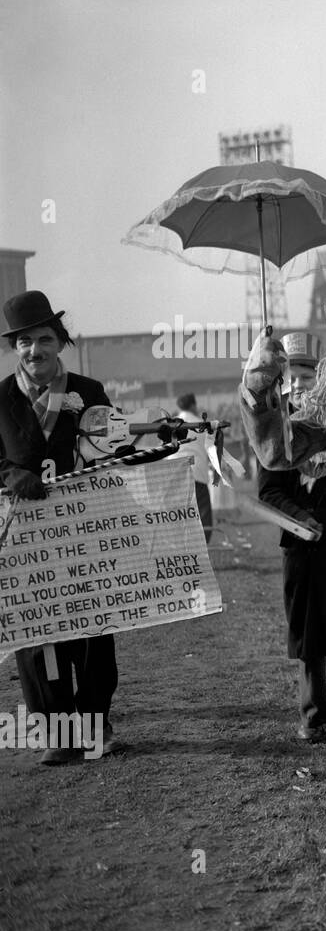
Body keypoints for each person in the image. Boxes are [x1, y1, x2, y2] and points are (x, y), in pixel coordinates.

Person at [0, 290, 120, 765]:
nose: (35, 351)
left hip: (82, 533)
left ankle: (94, 724)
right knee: (37, 634)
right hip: (26, 541)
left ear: (59, 341)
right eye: (25, 342)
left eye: (44, 339)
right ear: (15, 349)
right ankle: (57, 731)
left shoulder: (88, 391)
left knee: (91, 629)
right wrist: (9, 473)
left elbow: (112, 448)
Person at [256, 333, 326, 742]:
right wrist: (303, 520)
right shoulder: (274, 430)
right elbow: (269, 492)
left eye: (309, 374)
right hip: (304, 540)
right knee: (311, 630)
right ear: (281, 382)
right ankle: (314, 714)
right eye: (293, 375)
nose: (301, 383)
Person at [175, 392, 214, 542]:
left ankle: (179, 545)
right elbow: (212, 449)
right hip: (196, 473)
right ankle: (202, 546)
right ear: (193, 405)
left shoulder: (171, 423)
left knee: (177, 512)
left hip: (174, 472)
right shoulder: (201, 424)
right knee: (202, 512)